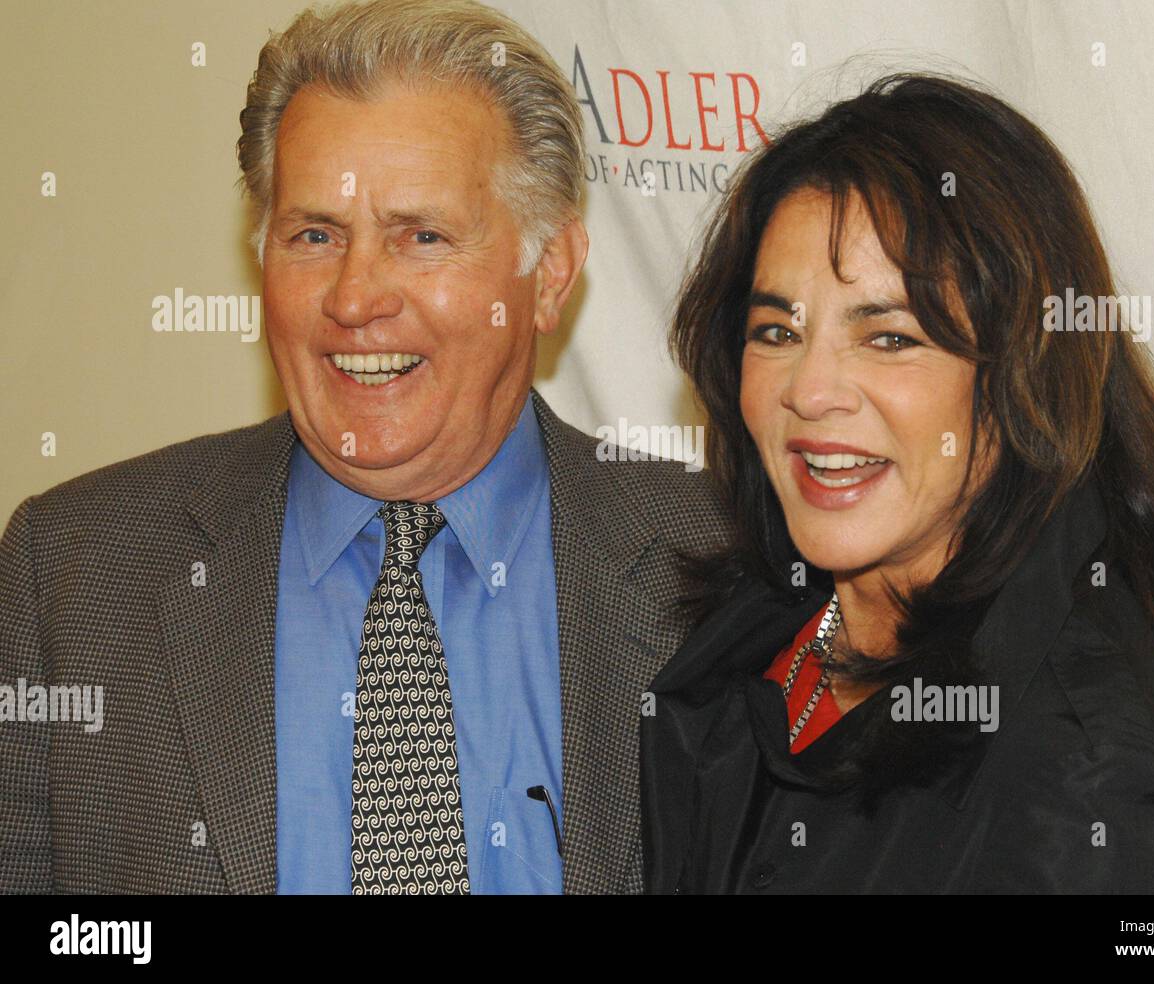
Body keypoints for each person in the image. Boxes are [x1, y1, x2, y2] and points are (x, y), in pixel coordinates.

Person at [0, 0, 728, 895]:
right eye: (315, 236)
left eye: (421, 236)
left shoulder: (727, 568)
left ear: (550, 276)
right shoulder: (72, 575)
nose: (354, 297)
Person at [642, 71, 1154, 893]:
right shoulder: (772, 617)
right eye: (776, 330)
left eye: (889, 338)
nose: (807, 391)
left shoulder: (1090, 787)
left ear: (1021, 375)